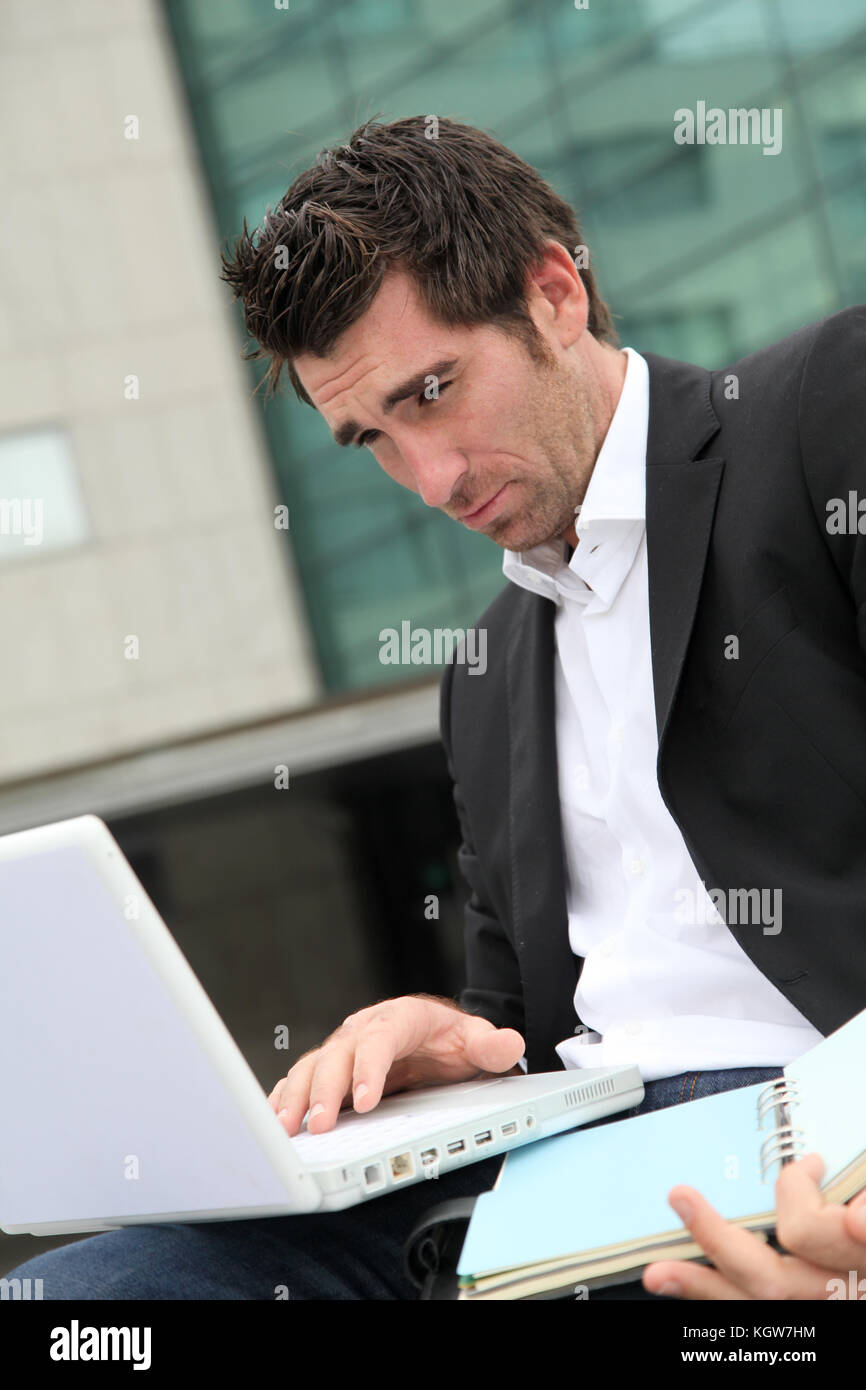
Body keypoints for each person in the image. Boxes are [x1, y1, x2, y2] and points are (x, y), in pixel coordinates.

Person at [7, 116, 866, 1301]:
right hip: (560, 1167)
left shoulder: (822, 412)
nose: (433, 480)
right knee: (73, 1298)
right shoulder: (488, 668)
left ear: (554, 292)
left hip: (799, 1140)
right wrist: (455, 1044)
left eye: (433, 390)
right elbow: (525, 1020)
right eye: (371, 436)